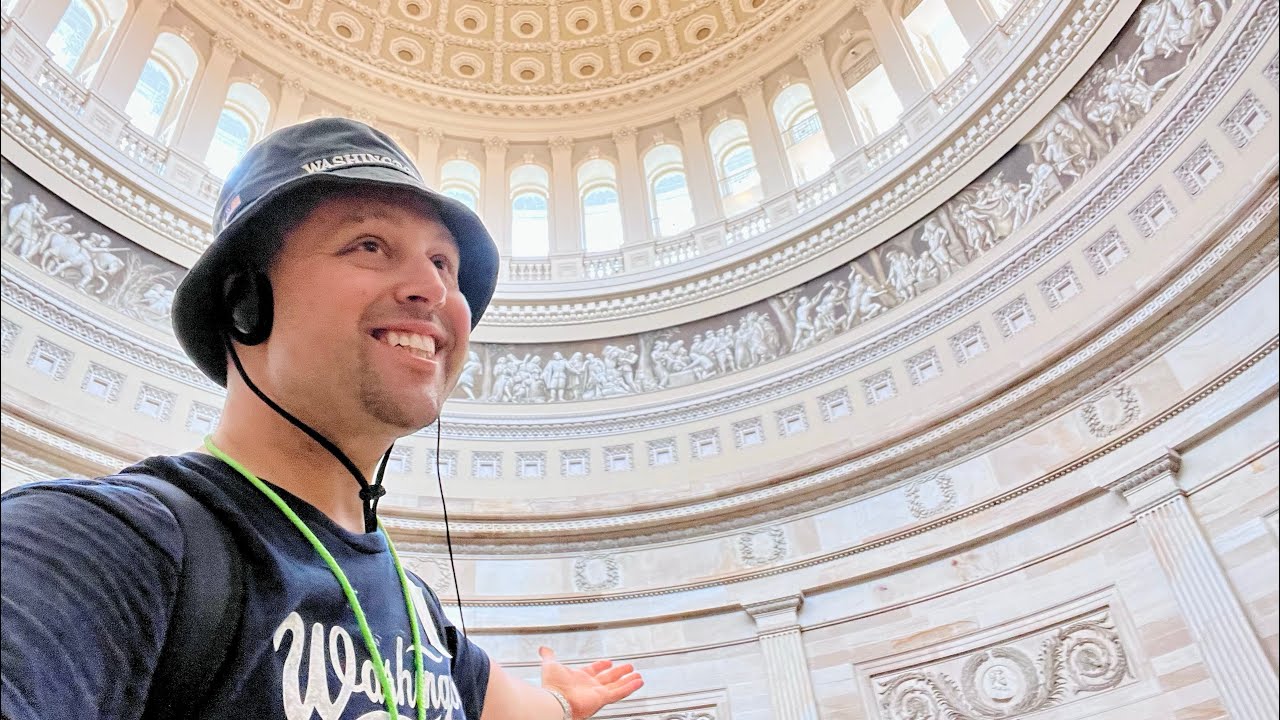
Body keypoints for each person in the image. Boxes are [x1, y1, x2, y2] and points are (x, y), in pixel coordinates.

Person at [0, 118, 644, 719]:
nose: (435, 290)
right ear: (245, 301)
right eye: (370, 245)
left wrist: (561, 703)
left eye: (443, 263)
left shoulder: (422, 619)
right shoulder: (105, 547)